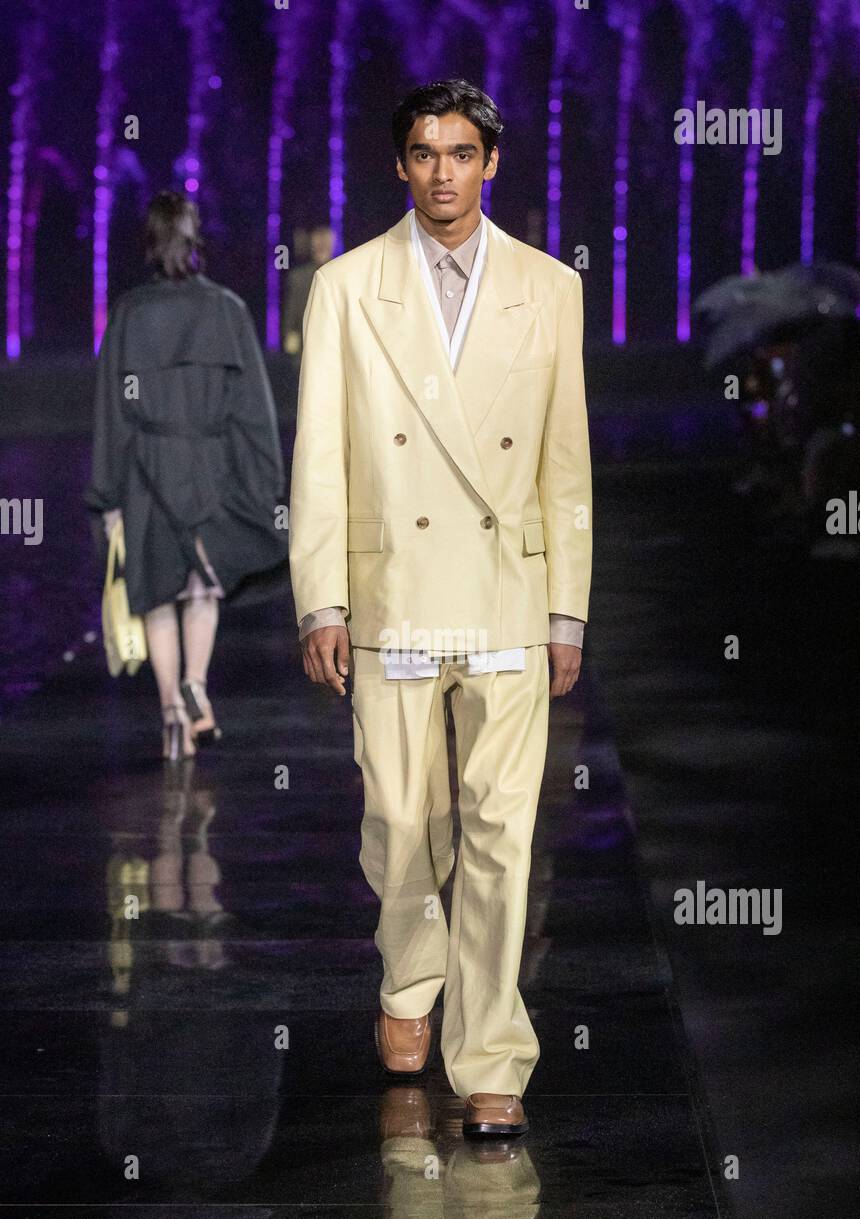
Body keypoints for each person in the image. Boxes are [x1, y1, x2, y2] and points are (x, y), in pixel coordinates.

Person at [288, 80, 592, 1139]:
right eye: (424, 153)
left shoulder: (549, 286)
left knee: (502, 831)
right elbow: (319, 454)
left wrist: (565, 612)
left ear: (490, 162)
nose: (442, 173)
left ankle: (492, 1051)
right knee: (399, 820)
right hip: (394, 597)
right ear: (400, 164)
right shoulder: (345, 286)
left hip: (507, 594)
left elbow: (564, 462)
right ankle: (409, 973)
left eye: (461, 153)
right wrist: (320, 599)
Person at [86, 191, 287, 760]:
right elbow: (252, 409)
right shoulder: (227, 310)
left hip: (147, 469)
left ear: (150, 242)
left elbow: (112, 412)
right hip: (211, 466)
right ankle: (196, 684)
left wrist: (107, 496)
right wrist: (264, 484)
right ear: (196, 240)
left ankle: (172, 711)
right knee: (203, 586)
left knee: (156, 594)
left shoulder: (129, 315)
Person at [281, 224, 336, 356]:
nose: (321, 247)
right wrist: (290, 333)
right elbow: (291, 311)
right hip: (306, 346)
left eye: (325, 245)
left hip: (335, 345)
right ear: (312, 246)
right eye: (318, 245)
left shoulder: (342, 274)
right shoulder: (298, 277)